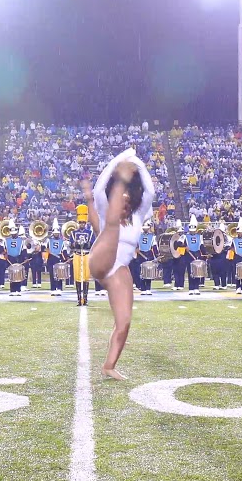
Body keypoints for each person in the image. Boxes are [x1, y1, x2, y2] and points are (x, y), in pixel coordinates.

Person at [83, 147, 155, 380]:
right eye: (119, 196)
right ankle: (122, 177)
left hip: (117, 270)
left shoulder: (137, 218)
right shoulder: (107, 214)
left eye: (126, 199)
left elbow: (151, 193)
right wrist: (117, 161)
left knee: (124, 322)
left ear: (131, 202)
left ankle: (109, 365)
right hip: (100, 260)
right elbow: (97, 190)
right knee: (112, 224)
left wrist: (137, 162)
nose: (123, 202)